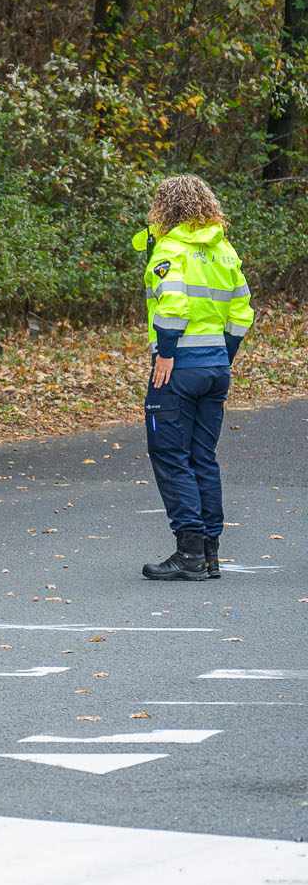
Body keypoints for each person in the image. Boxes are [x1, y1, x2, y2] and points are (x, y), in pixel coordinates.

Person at [133, 175, 254, 581]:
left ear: (165, 208)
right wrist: (223, 355)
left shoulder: (171, 248)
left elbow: (172, 303)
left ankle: (189, 554)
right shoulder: (224, 251)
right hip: (216, 368)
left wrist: (167, 352)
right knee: (203, 456)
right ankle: (209, 554)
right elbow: (242, 311)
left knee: (171, 455)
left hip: (178, 368)